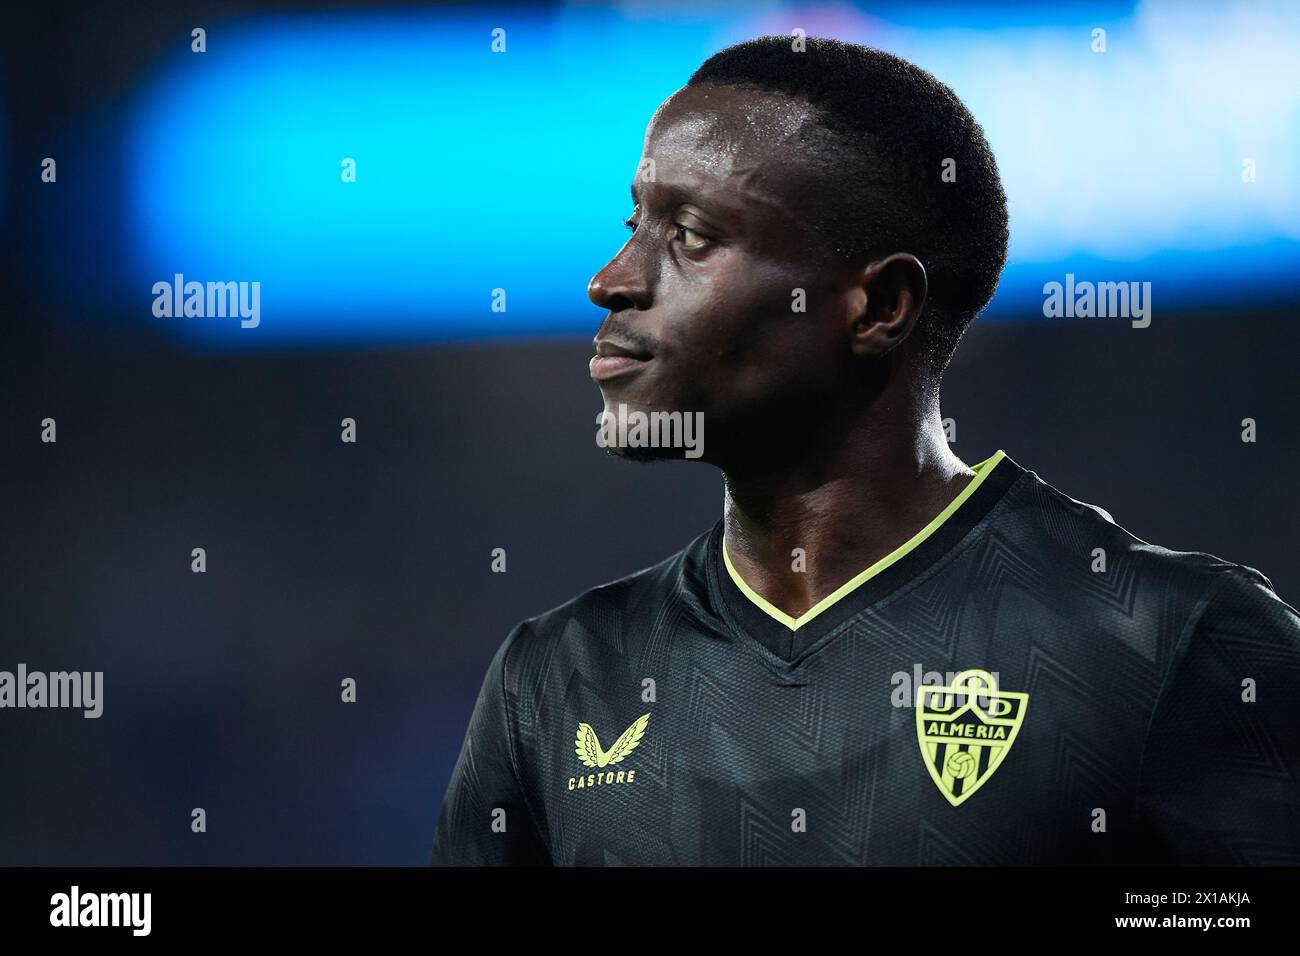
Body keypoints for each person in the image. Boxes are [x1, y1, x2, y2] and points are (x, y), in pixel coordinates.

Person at [430, 35, 1300, 866]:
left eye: (690, 236)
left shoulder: (1171, 643)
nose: (613, 278)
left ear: (879, 306)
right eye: (635, 224)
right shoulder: (555, 681)